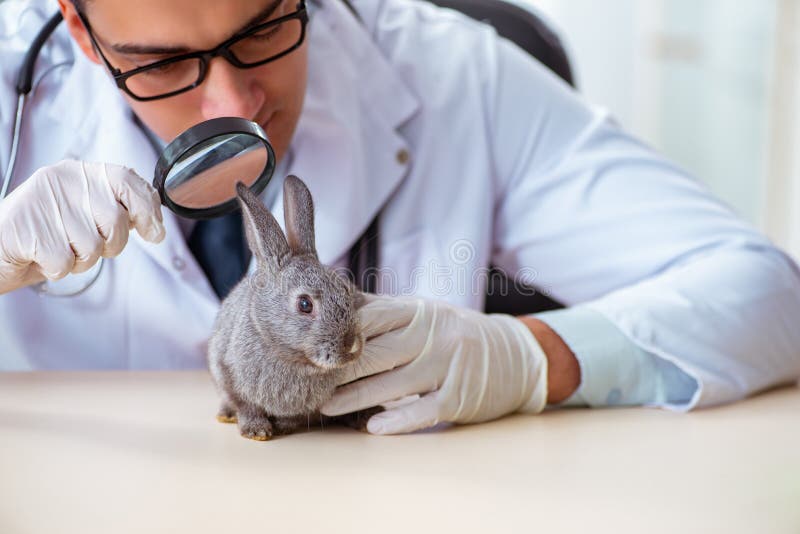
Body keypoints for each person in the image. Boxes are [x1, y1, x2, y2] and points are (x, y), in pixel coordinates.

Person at [1, 0, 798, 435]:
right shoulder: (14, 92)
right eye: (166, 64)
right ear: (80, 25)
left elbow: (771, 296)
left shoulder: (456, 73)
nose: (234, 105)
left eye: (266, 28)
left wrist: (527, 358)